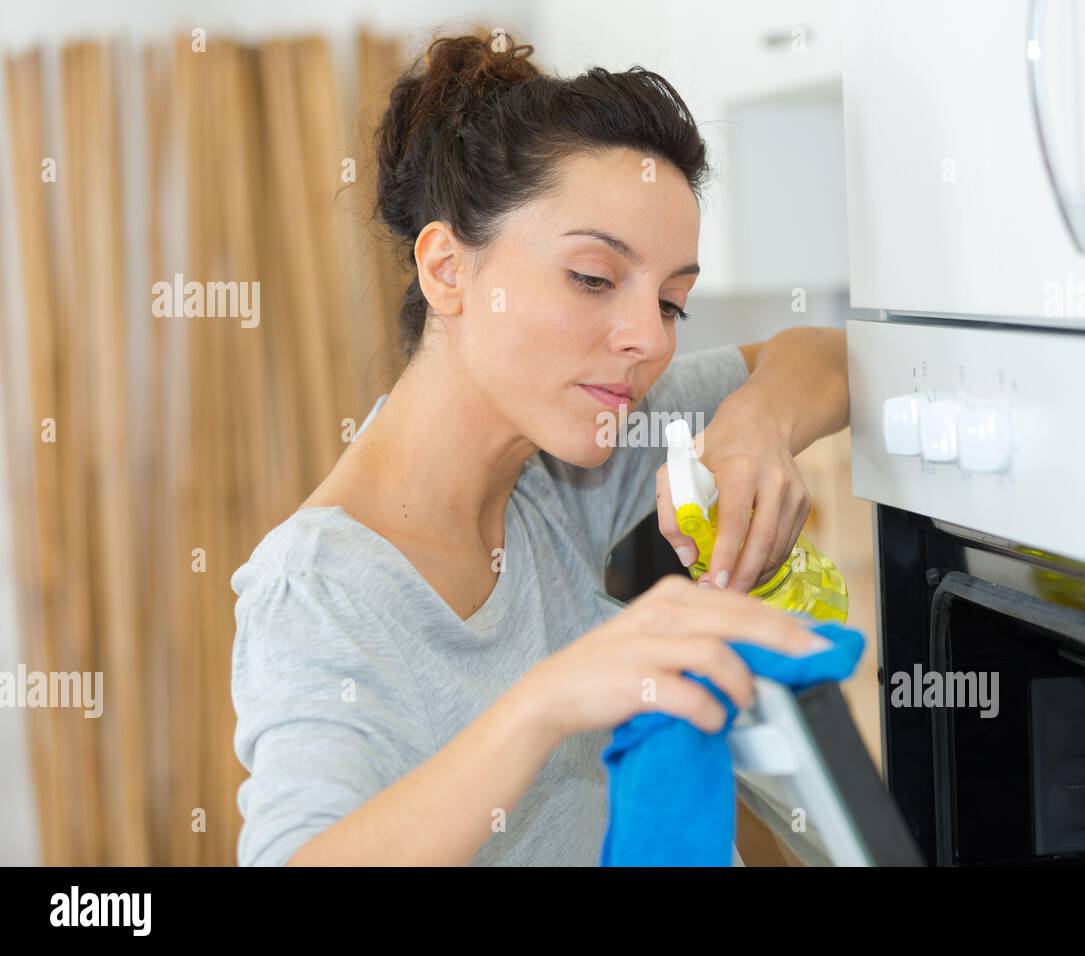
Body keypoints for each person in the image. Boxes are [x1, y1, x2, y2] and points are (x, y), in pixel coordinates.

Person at [230, 28, 850, 866]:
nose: (646, 339)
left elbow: (829, 358)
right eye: (593, 279)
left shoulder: (553, 463)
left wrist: (755, 426)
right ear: (447, 270)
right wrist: (546, 702)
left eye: (672, 302)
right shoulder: (316, 592)